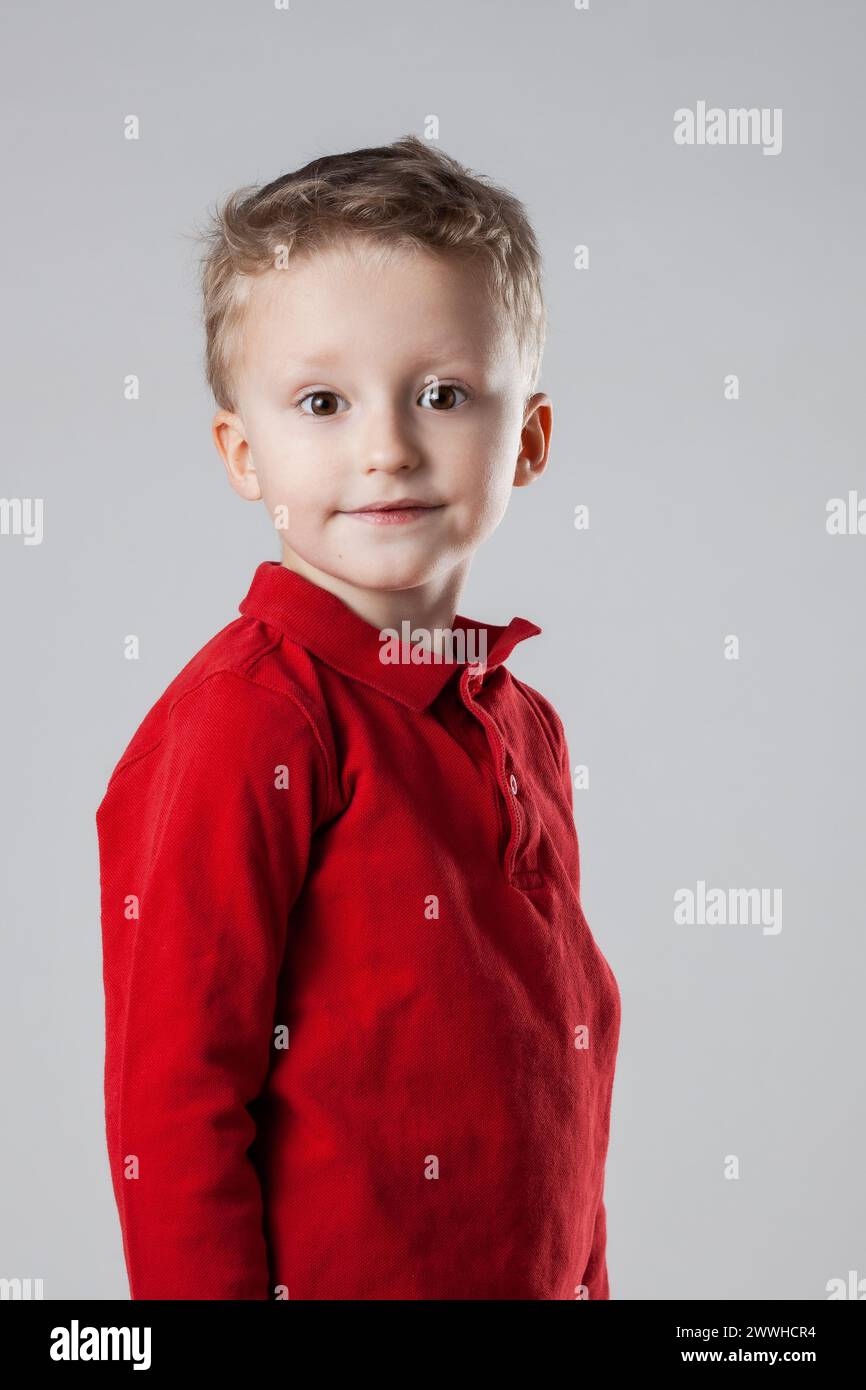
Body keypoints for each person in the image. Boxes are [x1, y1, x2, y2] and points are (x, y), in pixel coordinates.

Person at [96, 134, 621, 1300]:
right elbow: (172, 1104)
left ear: (526, 438)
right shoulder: (252, 722)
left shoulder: (519, 723)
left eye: (440, 393)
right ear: (243, 451)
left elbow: (562, 1084)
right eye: (321, 401)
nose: (384, 446)